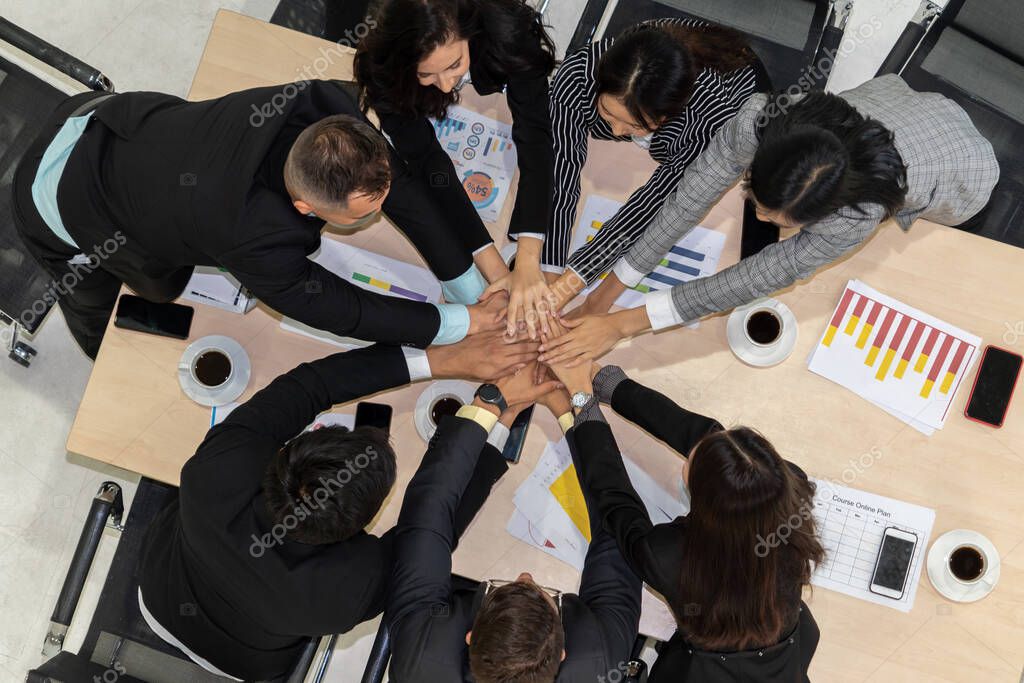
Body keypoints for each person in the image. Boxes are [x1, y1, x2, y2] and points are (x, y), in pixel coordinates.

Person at [136, 329, 547, 681]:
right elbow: (431, 528)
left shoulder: (214, 473)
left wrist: (445, 360)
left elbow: (309, 386)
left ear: (289, 452)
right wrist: (499, 417)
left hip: (158, 592)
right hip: (242, 663)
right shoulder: (350, 588)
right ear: (360, 526)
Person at [11, 80, 502, 360]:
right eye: (365, 212)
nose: (381, 211)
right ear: (308, 209)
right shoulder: (252, 237)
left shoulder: (322, 108)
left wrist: (468, 287)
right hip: (57, 203)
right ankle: (104, 361)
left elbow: (396, 185)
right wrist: (461, 324)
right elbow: (346, 310)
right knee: (106, 311)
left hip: (103, 120)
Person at [537, 74, 1000, 366]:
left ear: (826, 214)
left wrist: (626, 324)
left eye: (774, 217)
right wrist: (608, 291)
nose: (758, 217)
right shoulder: (762, 117)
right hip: (897, 100)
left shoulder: (859, 213)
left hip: (961, 170)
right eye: (757, 200)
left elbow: (767, 272)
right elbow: (689, 195)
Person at [544, 360, 825, 682]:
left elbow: (615, 499)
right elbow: (712, 441)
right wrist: (612, 385)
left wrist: (582, 402)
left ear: (705, 501)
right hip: (781, 654)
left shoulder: (668, 555)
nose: (689, 452)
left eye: (691, 461)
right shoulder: (789, 487)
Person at [485, 18, 768, 337]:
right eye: (607, 115)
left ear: (669, 113)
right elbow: (559, 169)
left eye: (636, 126)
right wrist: (546, 269)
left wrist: (574, 280)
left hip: (735, 86)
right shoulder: (579, 74)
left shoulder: (709, 116)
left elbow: (652, 203)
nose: (617, 131)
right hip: (660, 58)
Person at [385, 371, 643, 682]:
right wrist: (570, 410)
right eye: (544, 592)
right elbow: (620, 528)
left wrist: (491, 404)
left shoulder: (422, 654)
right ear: (563, 654)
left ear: (470, 638)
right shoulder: (599, 659)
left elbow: (427, 510)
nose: (526, 576)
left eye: (504, 588)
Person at [353, 0, 557, 302]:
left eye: (454, 65)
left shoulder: (508, 34)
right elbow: (426, 159)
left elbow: (535, 136)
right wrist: (497, 271)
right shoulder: (384, 66)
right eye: (426, 75)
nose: (447, 86)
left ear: (470, 29)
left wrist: (527, 257)